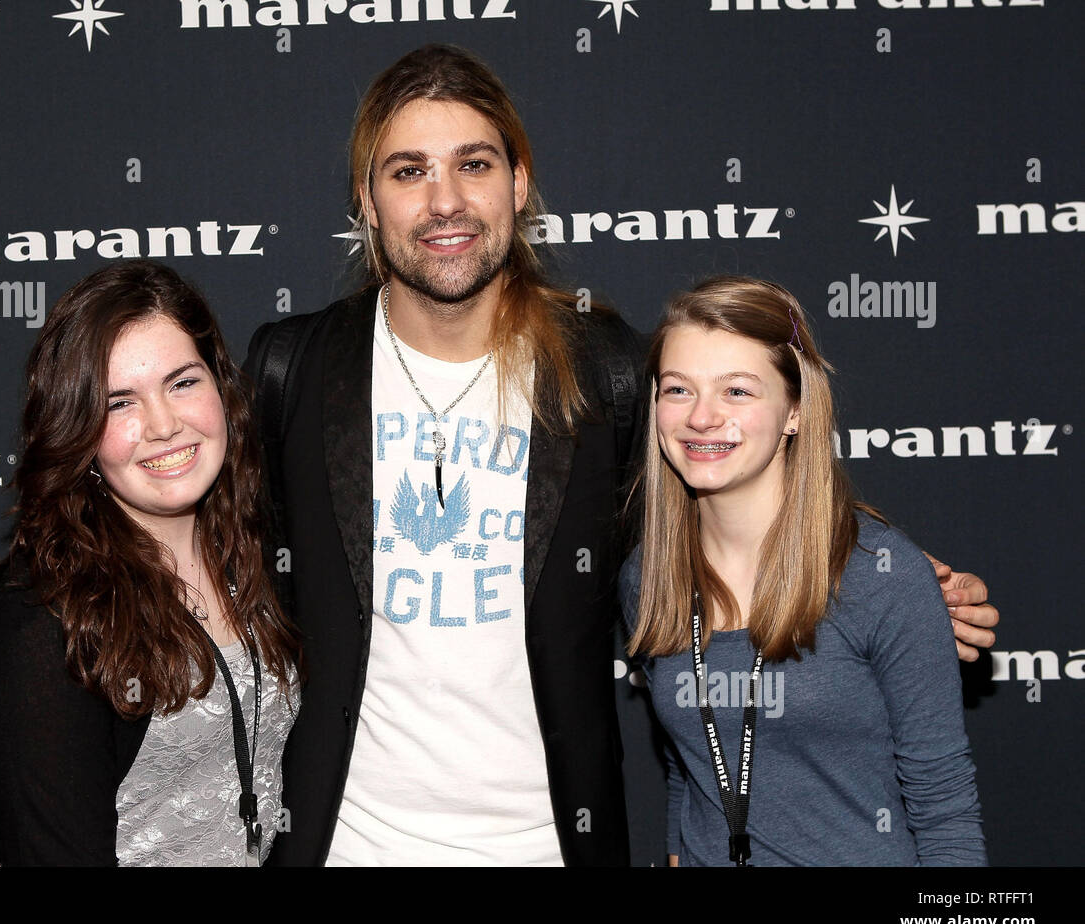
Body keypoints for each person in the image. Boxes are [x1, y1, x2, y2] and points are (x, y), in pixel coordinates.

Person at [246, 45, 996, 867]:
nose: (445, 200)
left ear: (519, 185)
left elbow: (722, 491)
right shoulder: (294, 370)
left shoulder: (602, 370)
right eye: (408, 171)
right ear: (366, 200)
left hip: (552, 849)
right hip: (346, 847)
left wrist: (880, 570)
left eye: (474, 164)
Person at [620, 276, 986, 866]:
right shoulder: (649, 578)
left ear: (793, 412)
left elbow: (945, 813)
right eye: (678, 389)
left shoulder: (878, 574)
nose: (702, 417)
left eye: (737, 391)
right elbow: (690, 779)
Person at [0, 259, 300, 866]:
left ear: (221, 385)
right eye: (121, 403)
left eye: (183, 382)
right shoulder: (44, 618)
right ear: (79, 430)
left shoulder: (259, 550)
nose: (164, 425)